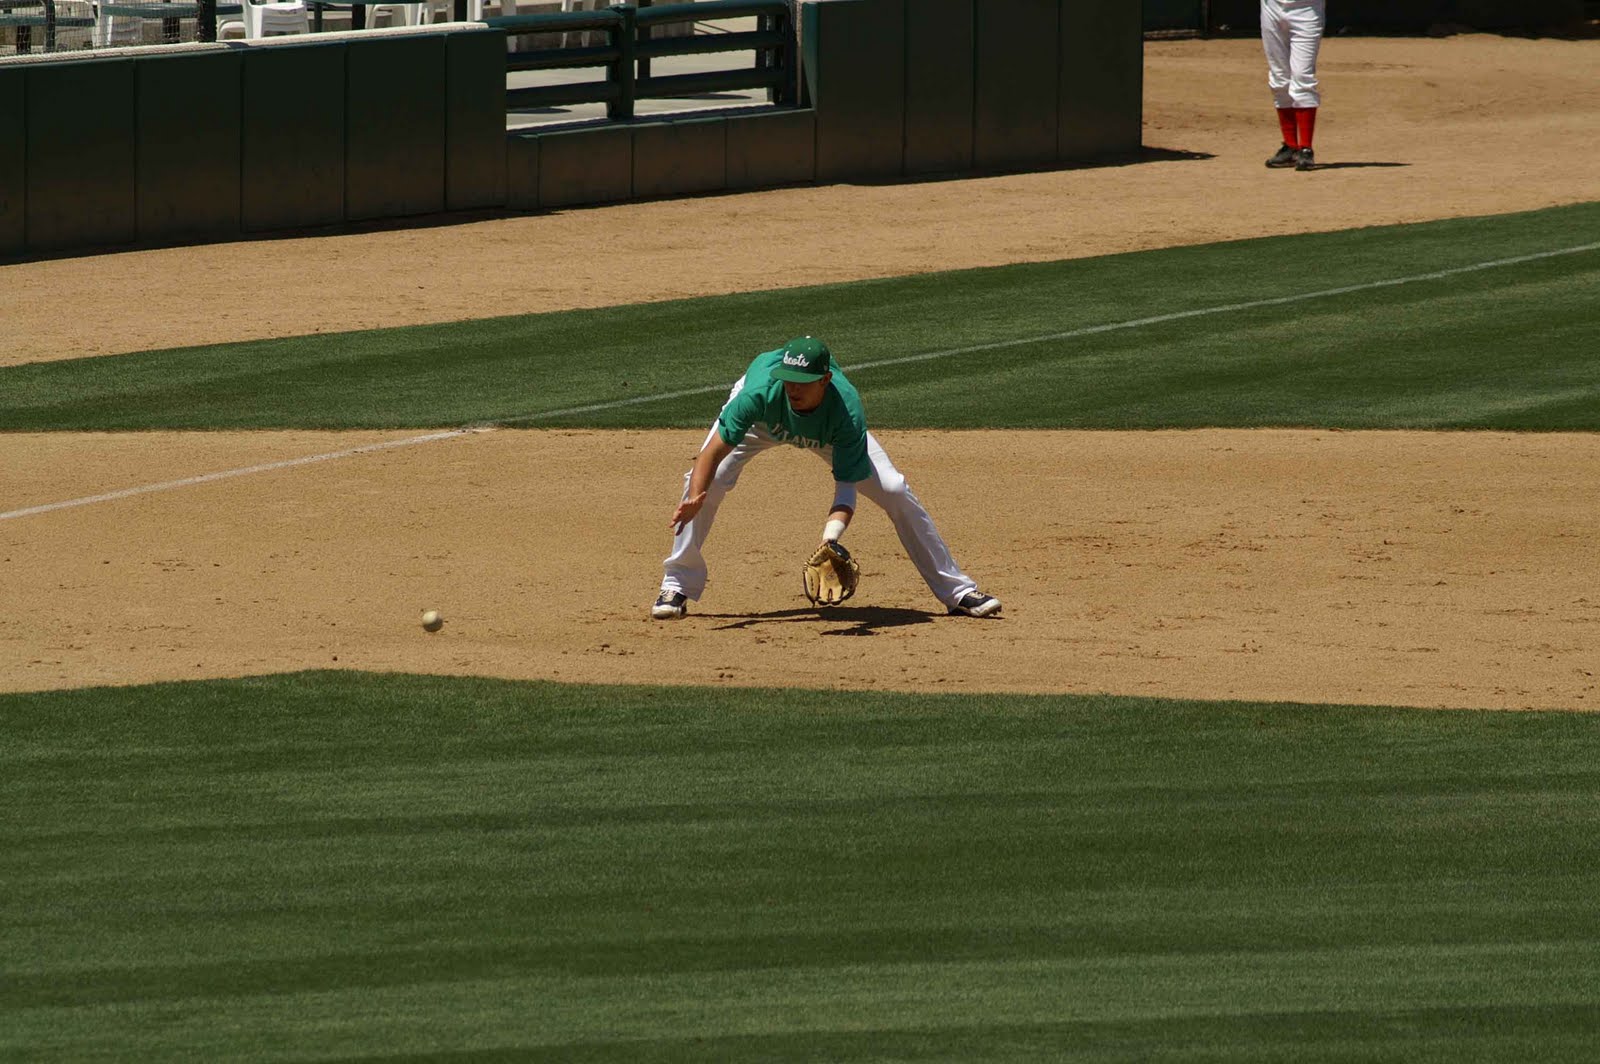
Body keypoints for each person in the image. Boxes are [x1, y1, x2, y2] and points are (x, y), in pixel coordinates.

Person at [651, 336, 1001, 621]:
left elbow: (846, 489)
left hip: (828, 433)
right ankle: (676, 584)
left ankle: (957, 591)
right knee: (706, 483)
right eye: (788, 380)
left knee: (893, 488)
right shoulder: (759, 393)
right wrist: (697, 495)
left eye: (803, 383)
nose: (793, 389)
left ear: (825, 379)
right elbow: (711, 452)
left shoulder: (846, 413)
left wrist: (829, 541)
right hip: (762, 423)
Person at [1261, 0, 1325, 171]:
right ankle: (1290, 146)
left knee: (1302, 77)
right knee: (1279, 78)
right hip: (1271, 7)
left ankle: (1305, 149)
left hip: (1307, 8)